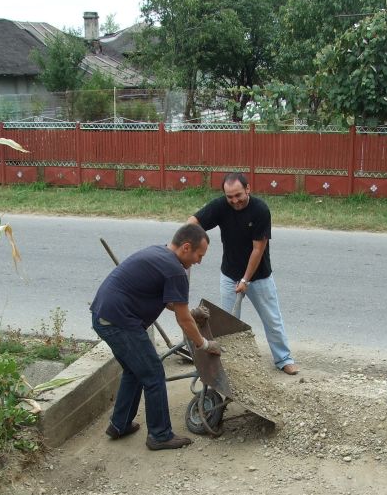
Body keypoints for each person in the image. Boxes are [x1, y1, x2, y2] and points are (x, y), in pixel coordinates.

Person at [90, 224, 221, 451]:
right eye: (199, 256)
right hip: (120, 322)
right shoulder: (175, 270)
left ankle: (118, 425)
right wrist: (205, 344)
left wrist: (191, 313)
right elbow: (183, 320)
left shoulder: (160, 253)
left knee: (135, 370)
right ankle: (160, 435)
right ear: (186, 247)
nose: (199, 261)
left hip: (104, 316)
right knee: (153, 373)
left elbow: (168, 301)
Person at [187, 172, 298, 375]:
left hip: (259, 277)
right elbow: (193, 222)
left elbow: (258, 249)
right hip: (229, 275)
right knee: (228, 322)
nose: (234, 201)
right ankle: (230, 363)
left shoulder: (260, 210)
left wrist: (246, 279)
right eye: (230, 197)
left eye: (238, 195)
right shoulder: (221, 206)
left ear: (248, 189)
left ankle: (283, 359)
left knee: (272, 319)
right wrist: (186, 246)